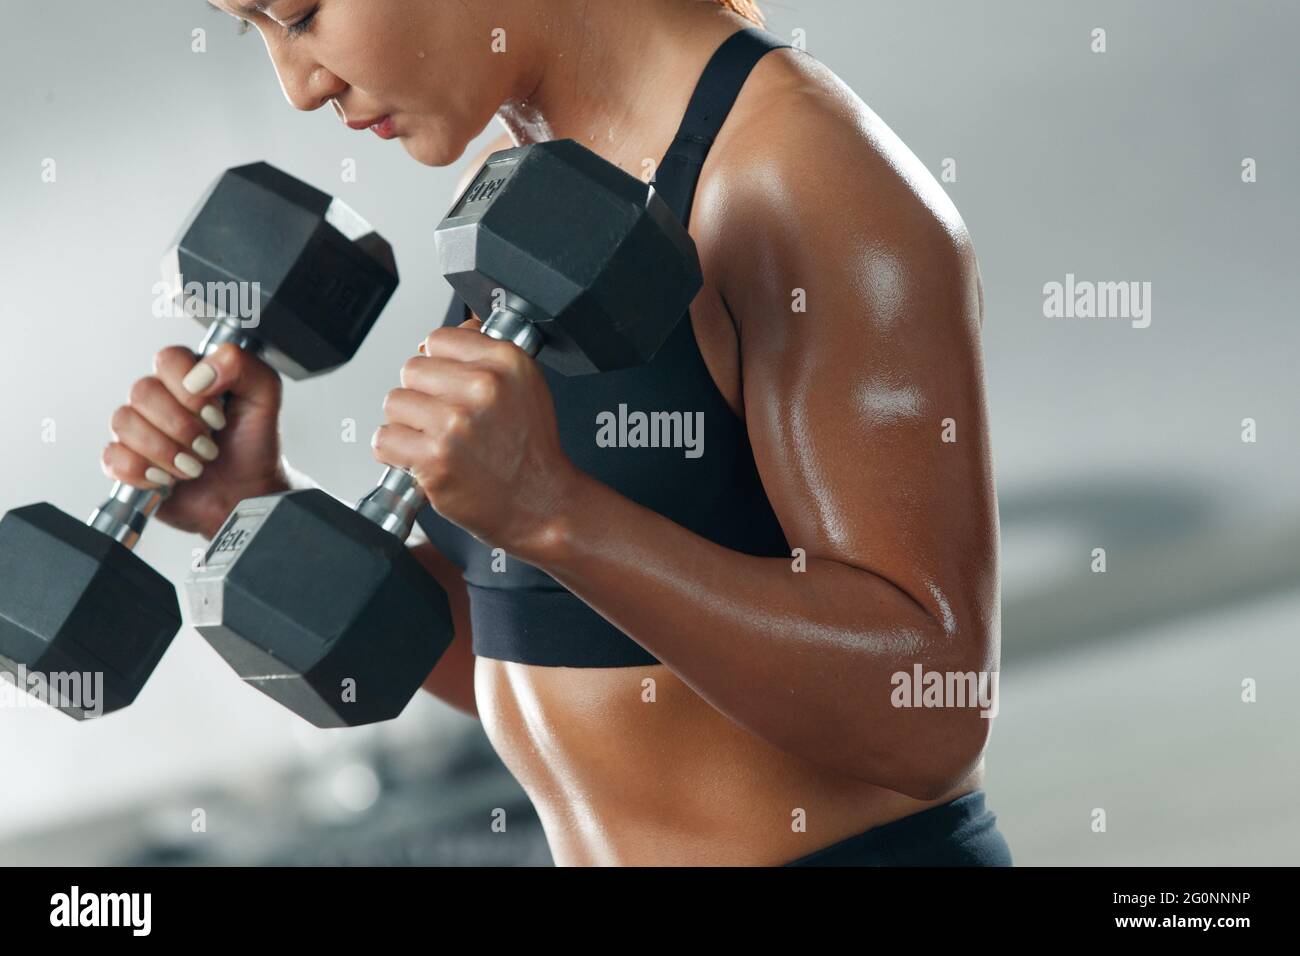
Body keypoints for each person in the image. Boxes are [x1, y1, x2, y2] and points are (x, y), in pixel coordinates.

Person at [104, 0, 1011, 866]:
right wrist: (257, 497)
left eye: (301, 15)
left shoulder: (796, 172)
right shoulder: (516, 183)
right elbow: (563, 661)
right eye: (251, 32)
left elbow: (930, 714)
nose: (298, 85)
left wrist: (553, 512)